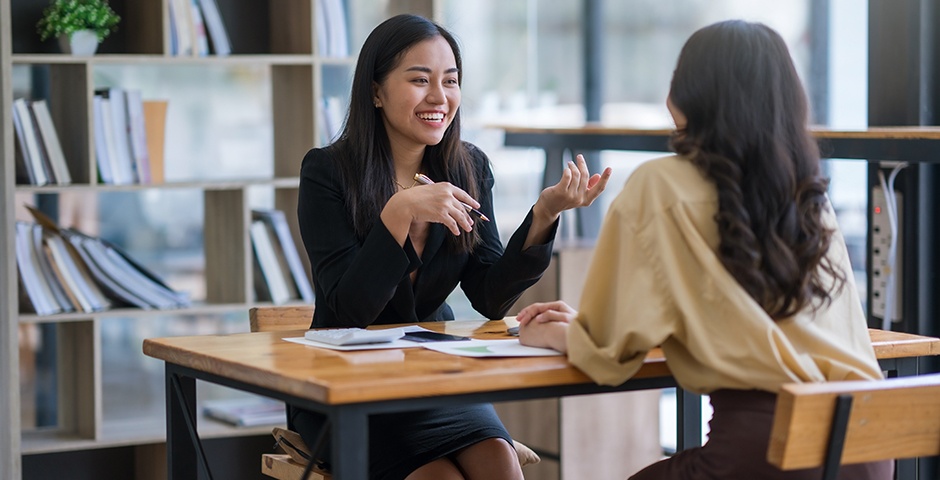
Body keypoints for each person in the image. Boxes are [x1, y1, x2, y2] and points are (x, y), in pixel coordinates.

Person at [516, 20, 893, 480]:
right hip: (870, 444)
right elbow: (748, 319)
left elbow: (608, 358)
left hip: (769, 451)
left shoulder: (659, 186)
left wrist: (554, 334)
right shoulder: (806, 193)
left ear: (686, 94)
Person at [295, 13, 612, 480]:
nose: (439, 98)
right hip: (348, 386)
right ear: (376, 92)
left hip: (434, 380)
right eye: (419, 80)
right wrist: (400, 213)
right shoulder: (326, 172)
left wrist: (544, 214)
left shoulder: (469, 168)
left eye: (450, 80)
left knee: (500, 463)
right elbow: (348, 312)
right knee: (437, 477)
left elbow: (488, 296)